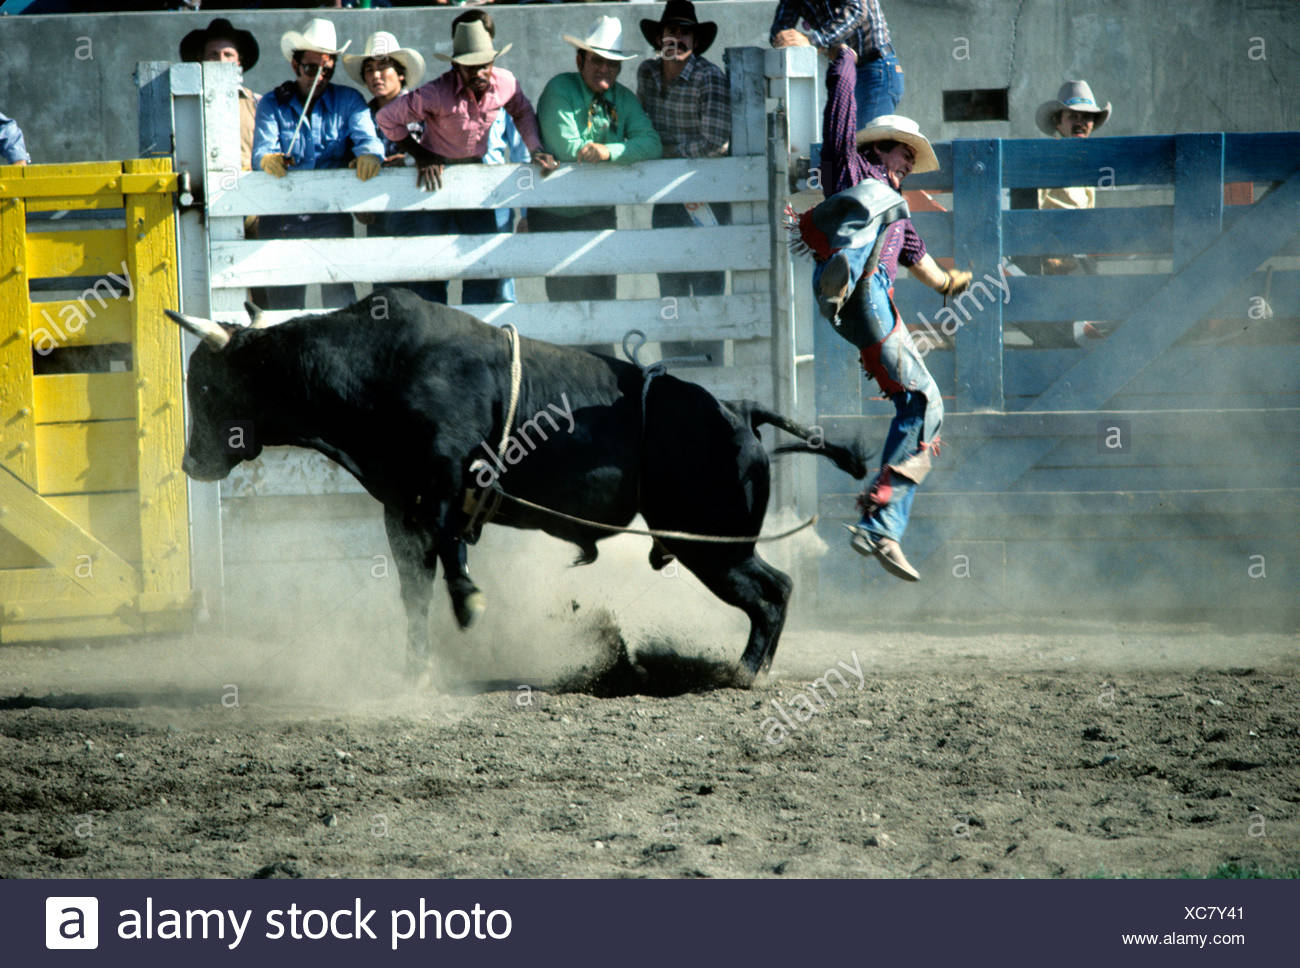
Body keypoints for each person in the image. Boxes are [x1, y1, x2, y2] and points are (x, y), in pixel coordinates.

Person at [790, 47, 970, 581]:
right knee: (924, 400)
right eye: (905, 155)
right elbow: (839, 119)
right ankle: (882, 522)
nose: (910, 164)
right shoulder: (856, 170)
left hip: (863, 307)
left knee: (917, 402)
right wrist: (843, 61)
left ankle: (882, 517)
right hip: (867, 298)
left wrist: (951, 283)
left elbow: (926, 267)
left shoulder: (897, 212)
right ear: (883, 152)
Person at [375, 20, 555, 306]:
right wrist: (420, 154)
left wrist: (535, 149)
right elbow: (386, 118)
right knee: (431, 268)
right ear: (457, 67)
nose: (480, 73)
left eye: (485, 65)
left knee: (482, 265)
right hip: (435, 179)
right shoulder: (436, 92)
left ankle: (476, 335)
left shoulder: (505, 82)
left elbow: (521, 110)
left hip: (476, 180)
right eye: (471, 67)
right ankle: (432, 340)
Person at [252, 18, 385, 311]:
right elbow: (261, 153)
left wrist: (369, 156)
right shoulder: (272, 103)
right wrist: (268, 160)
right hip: (283, 218)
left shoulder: (349, 99)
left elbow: (368, 140)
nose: (319, 76)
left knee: (340, 302)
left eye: (327, 68)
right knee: (284, 305)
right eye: (311, 68)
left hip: (331, 216)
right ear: (294, 66)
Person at [534, 16, 662, 303]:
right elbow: (567, 148)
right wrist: (622, 150)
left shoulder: (624, 98)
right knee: (565, 303)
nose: (605, 69)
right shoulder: (560, 89)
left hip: (600, 214)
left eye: (612, 64)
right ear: (580, 61)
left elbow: (652, 144)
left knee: (604, 299)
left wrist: (609, 151)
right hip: (556, 215)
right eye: (597, 61)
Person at [637, 0, 731, 299]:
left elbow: (715, 143)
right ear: (658, 38)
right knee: (670, 284)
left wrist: (664, 152)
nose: (677, 39)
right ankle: (675, 347)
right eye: (671, 31)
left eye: (685, 33)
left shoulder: (709, 76)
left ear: (696, 41)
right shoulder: (647, 73)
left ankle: (711, 348)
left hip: (706, 190)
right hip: (666, 195)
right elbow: (641, 125)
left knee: (707, 284)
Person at [344, 30, 443, 303]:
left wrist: (410, 159)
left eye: (383, 67)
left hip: (424, 209)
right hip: (381, 216)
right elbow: (347, 158)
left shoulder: (425, 106)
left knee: (428, 295)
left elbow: (441, 147)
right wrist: (358, 202)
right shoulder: (360, 115)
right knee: (388, 298)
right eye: (369, 69)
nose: (376, 75)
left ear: (401, 73)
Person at [1016, 80, 1113, 347]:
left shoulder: (1088, 166)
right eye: (1073, 117)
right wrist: (1048, 258)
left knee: (1077, 330)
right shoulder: (1048, 160)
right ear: (1059, 123)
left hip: (1079, 260)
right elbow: (1029, 215)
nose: (1081, 123)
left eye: (1087, 118)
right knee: (1062, 332)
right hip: (1052, 260)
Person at [770, 0, 902, 126]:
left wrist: (812, 41)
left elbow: (858, 11)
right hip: (843, 70)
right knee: (842, 139)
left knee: (864, 140)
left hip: (874, 69)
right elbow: (778, 31)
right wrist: (786, 39)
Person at [179, 18, 261, 173]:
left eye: (228, 54)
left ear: (238, 61)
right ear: (201, 60)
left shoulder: (258, 104)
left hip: (249, 187)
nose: (221, 61)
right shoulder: (188, 104)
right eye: (214, 55)